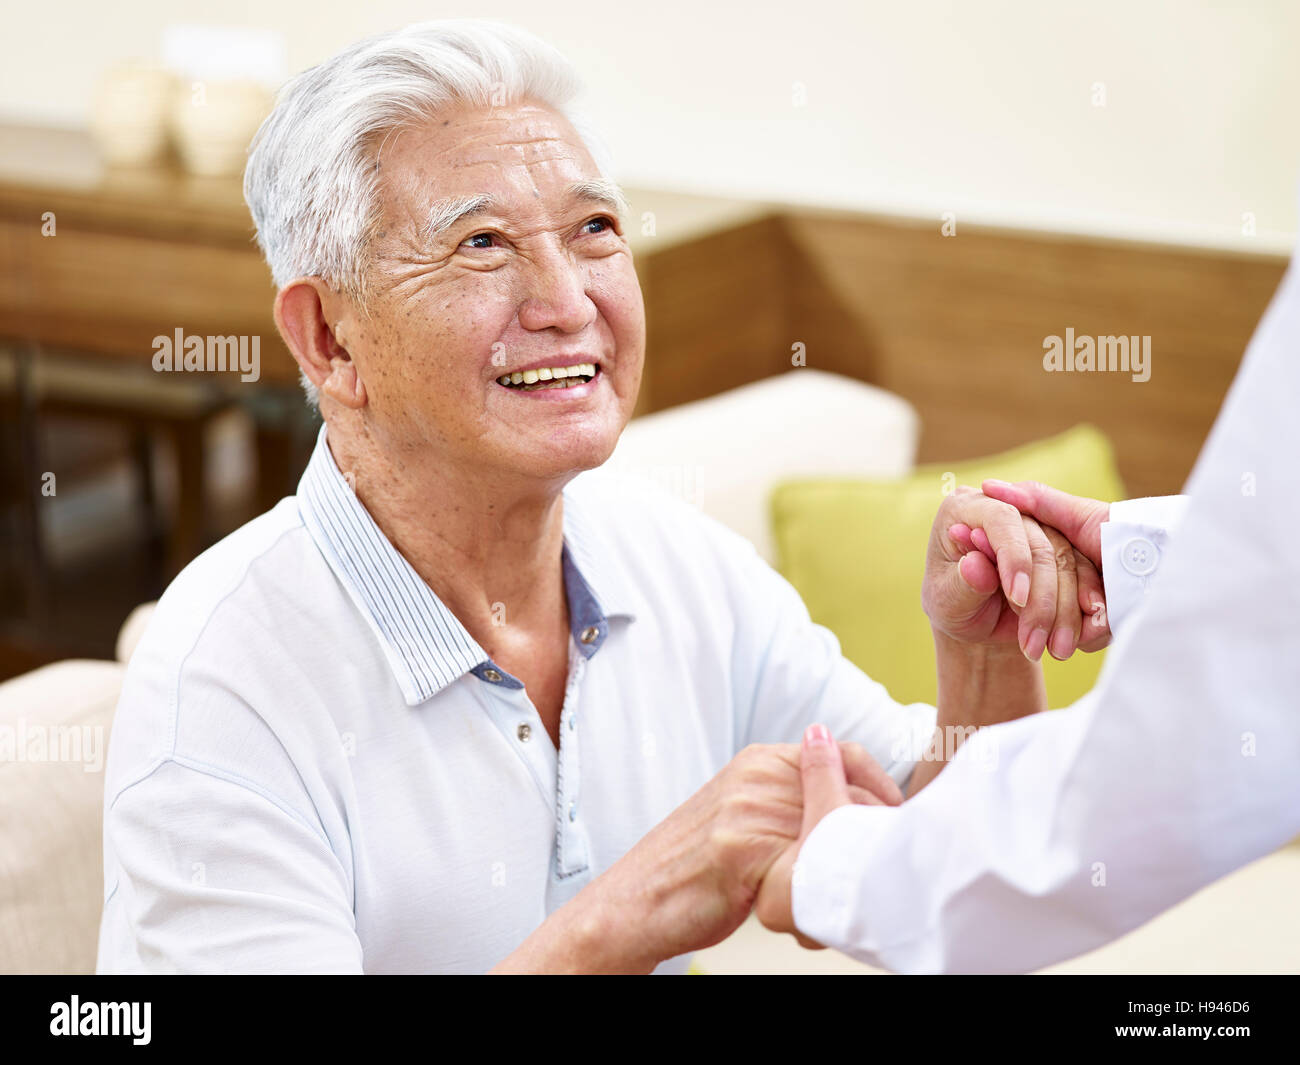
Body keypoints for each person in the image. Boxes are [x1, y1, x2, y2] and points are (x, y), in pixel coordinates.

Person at [98, 19, 1115, 974]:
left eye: (593, 229)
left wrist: (981, 660)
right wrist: (612, 928)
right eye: (482, 244)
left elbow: (952, 890)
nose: (568, 302)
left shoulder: (678, 561)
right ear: (329, 339)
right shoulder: (221, 683)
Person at [754, 227, 1300, 972]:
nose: (563, 303)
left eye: (596, 228)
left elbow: (1171, 763)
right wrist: (1138, 557)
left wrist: (836, 869)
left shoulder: (704, 589)